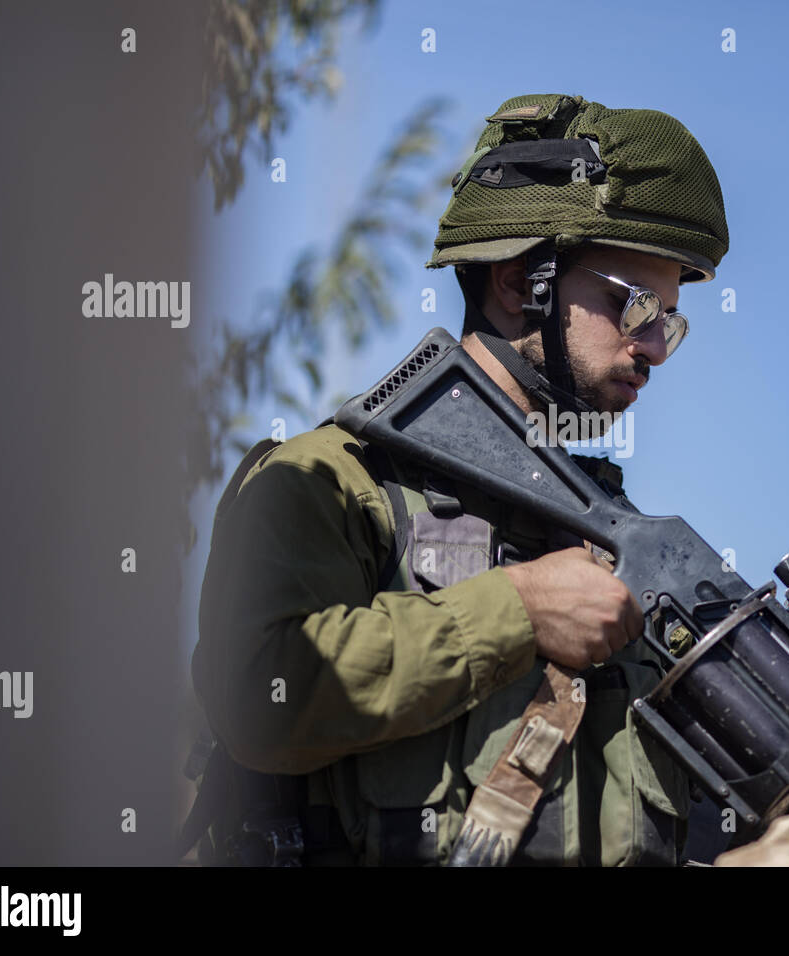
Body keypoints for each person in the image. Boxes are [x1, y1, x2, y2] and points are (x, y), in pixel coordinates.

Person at [184, 92, 730, 866]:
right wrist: (516, 611)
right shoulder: (332, 481)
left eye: (669, 320)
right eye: (635, 305)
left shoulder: (613, 539)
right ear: (517, 284)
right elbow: (257, 694)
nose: (656, 348)